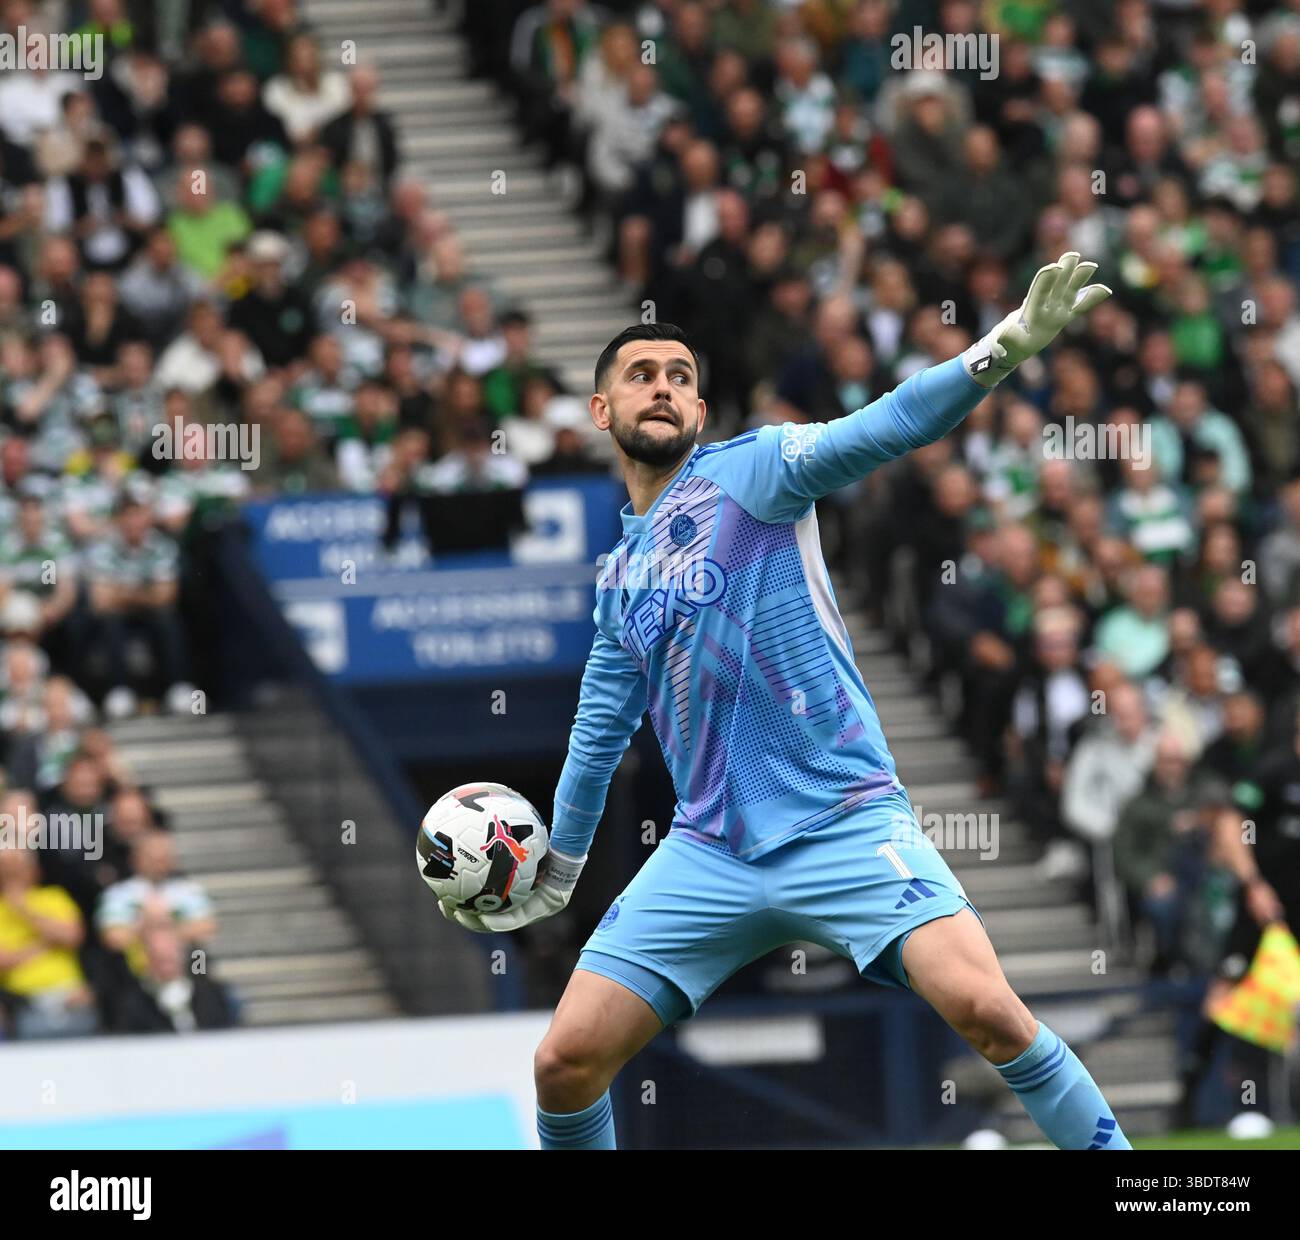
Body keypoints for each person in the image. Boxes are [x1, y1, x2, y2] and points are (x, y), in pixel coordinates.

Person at [441, 253, 1133, 1150]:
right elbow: (596, 736)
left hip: (846, 821)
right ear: (601, 412)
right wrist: (558, 878)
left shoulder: (756, 472)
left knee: (987, 1010)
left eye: (681, 377)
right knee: (564, 1064)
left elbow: (885, 425)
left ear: (697, 409)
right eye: (641, 375)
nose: (663, 388)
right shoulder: (618, 581)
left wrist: (999, 349)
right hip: (710, 851)